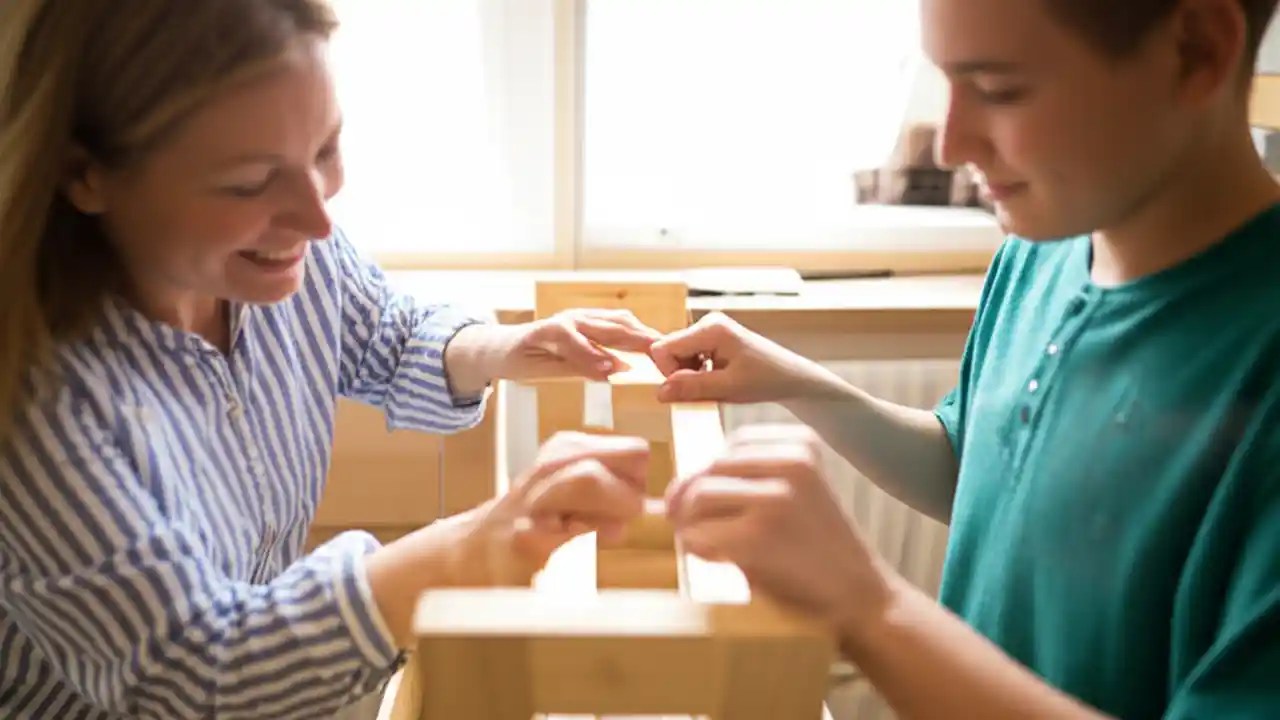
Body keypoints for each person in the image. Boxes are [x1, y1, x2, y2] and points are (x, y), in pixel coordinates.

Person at [0, 2, 655, 718]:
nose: (316, 218)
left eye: (325, 151)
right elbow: (191, 674)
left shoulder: (282, 259)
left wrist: (503, 349)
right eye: (249, 183)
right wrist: (472, 543)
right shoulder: (41, 405)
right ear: (86, 176)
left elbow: (383, 331)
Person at [652, 0, 1280, 717]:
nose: (950, 145)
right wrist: (804, 385)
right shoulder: (1040, 247)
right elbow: (974, 470)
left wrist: (870, 608)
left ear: (1197, 50)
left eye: (998, 90)